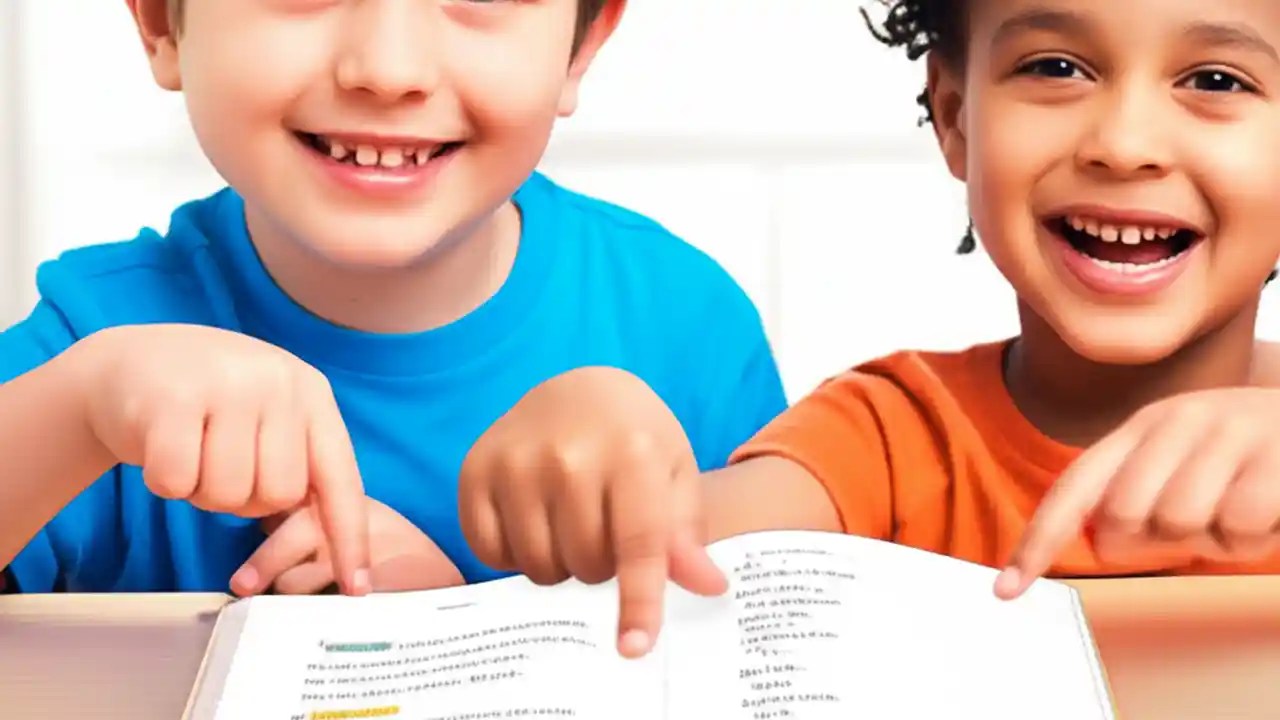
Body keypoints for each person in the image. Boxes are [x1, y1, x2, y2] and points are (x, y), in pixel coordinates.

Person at [461, 0, 1280, 658]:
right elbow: (675, 542)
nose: (1125, 145)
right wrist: (597, 448)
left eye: (1217, 80)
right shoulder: (888, 442)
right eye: (1055, 67)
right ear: (954, 117)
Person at [0, 0, 786, 605]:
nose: (387, 68)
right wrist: (78, 412)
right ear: (158, 23)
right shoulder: (95, 356)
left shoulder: (688, 329)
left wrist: (446, 633)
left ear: (580, 48)